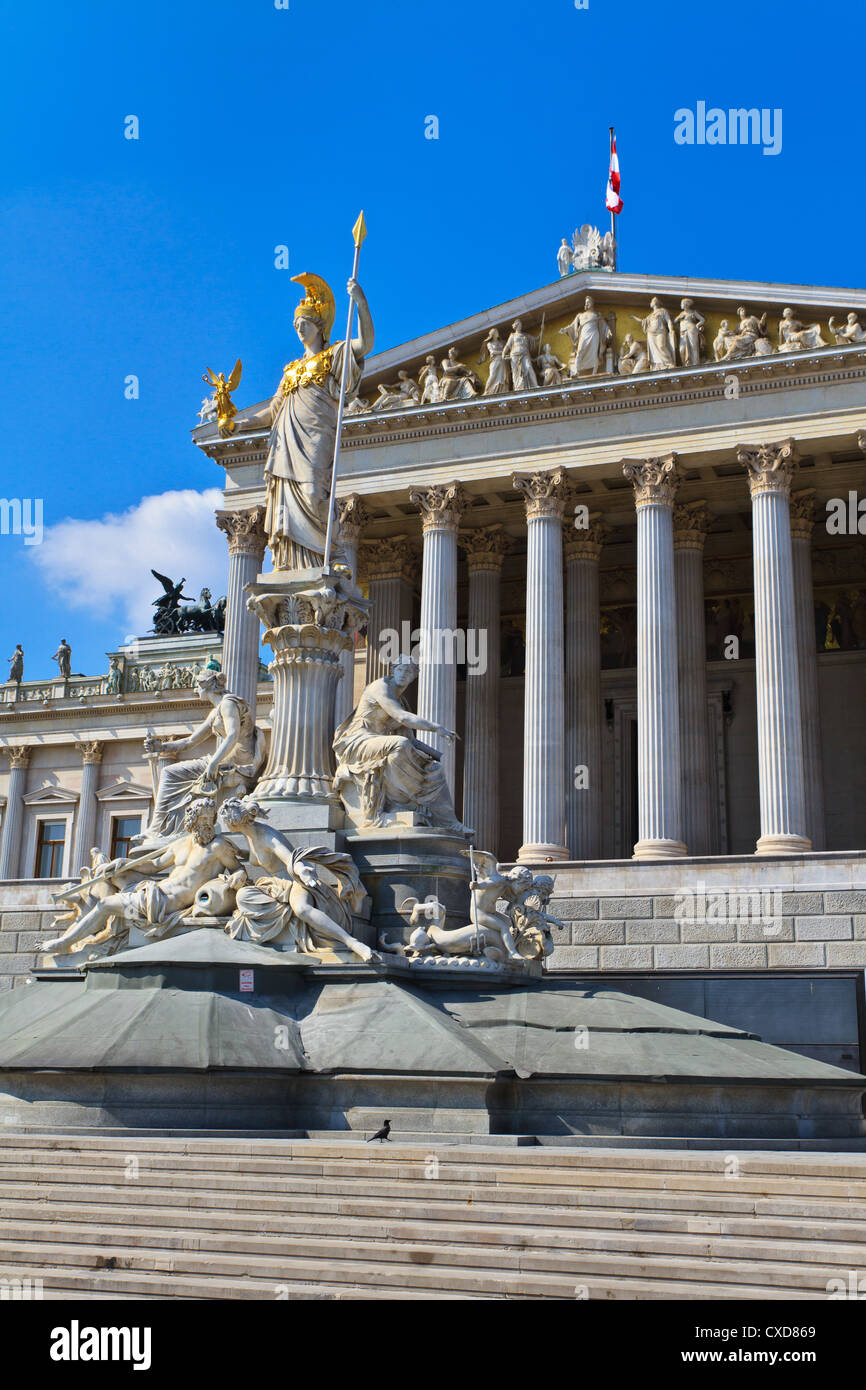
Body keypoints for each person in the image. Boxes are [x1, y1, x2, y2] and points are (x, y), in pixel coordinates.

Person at [235, 273, 374, 572]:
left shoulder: (333, 356)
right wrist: (241, 425)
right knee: (285, 503)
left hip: (314, 439)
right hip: (285, 444)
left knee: (313, 493)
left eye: (305, 323)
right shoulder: (291, 370)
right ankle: (288, 563)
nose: (299, 329)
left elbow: (365, 344)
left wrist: (361, 303)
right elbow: (273, 410)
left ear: (320, 326)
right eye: (296, 325)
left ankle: (331, 555)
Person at [43, 799, 242, 954]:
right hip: (153, 888)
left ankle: (66, 943)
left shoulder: (219, 846)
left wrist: (237, 877)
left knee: (105, 905)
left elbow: (238, 869)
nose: (208, 823)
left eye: (210, 818)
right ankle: (108, 927)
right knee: (110, 874)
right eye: (203, 818)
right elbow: (155, 865)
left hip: (163, 903)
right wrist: (126, 863)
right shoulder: (182, 843)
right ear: (193, 820)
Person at [219, 798, 376, 963]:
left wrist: (302, 870)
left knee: (301, 909)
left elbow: (289, 859)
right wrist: (239, 852)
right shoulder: (249, 835)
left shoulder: (266, 836)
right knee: (243, 895)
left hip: (293, 880)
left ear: (235, 822)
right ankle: (281, 925)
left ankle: (353, 943)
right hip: (274, 884)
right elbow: (257, 857)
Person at [333, 658, 470, 834]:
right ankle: (401, 802)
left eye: (409, 672)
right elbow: (402, 718)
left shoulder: (401, 700)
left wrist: (435, 755)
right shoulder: (380, 686)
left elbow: (411, 741)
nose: (404, 674)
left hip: (378, 744)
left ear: (414, 677)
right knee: (399, 745)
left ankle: (449, 821)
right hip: (358, 742)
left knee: (434, 768)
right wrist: (437, 728)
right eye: (401, 670)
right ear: (393, 670)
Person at [142, 668, 265, 840]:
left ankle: (156, 829)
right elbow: (190, 742)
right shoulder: (216, 711)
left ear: (206, 686)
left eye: (197, 686)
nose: (195, 690)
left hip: (236, 762)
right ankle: (164, 828)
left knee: (168, 773)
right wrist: (161, 747)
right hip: (225, 760)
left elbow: (232, 734)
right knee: (170, 773)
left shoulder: (228, 704)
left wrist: (213, 763)